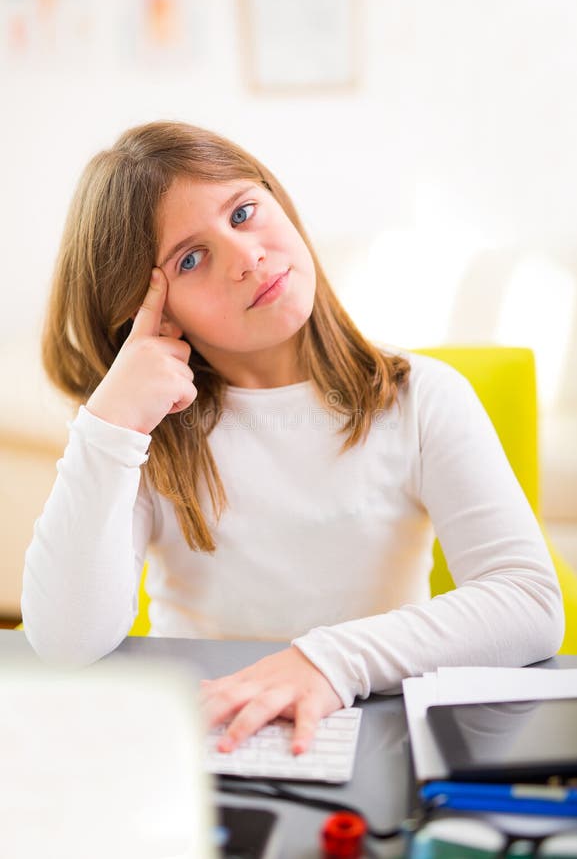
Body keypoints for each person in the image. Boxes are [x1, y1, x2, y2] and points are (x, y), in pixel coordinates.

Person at [22, 120, 563, 756]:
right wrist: (108, 426)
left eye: (244, 212)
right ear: (157, 310)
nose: (246, 256)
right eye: (191, 259)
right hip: (209, 731)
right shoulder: (147, 430)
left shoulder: (422, 396)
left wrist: (328, 660)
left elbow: (527, 599)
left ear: (279, 199)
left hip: (371, 722)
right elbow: (65, 641)